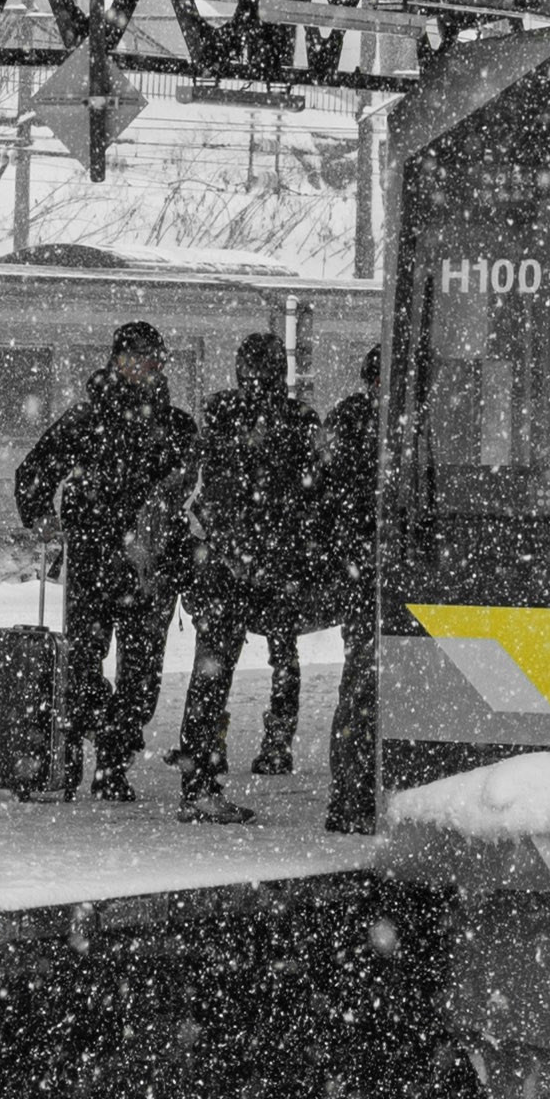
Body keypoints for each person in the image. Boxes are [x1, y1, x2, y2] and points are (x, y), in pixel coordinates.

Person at [12, 320, 201, 804]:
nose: (146, 367)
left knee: (141, 680)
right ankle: (88, 745)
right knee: (81, 667)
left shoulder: (176, 427)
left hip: (149, 570)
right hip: (95, 563)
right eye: (136, 357)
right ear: (116, 360)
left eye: (153, 358)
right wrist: (41, 518)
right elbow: (34, 471)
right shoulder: (86, 419)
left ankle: (112, 762)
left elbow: (186, 485)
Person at [171, 333, 319, 819]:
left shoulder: (219, 414)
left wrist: (221, 545)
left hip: (228, 559)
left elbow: (208, 486)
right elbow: (309, 495)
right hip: (271, 561)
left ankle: (202, 770)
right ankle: (273, 743)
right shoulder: (297, 421)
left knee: (212, 669)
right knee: (281, 654)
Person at [313, 342, 387, 832]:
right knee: (366, 683)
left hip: (362, 569)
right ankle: (353, 797)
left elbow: (326, 494)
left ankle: (352, 797)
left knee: (362, 682)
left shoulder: (348, 421)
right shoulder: (373, 424)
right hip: (371, 568)